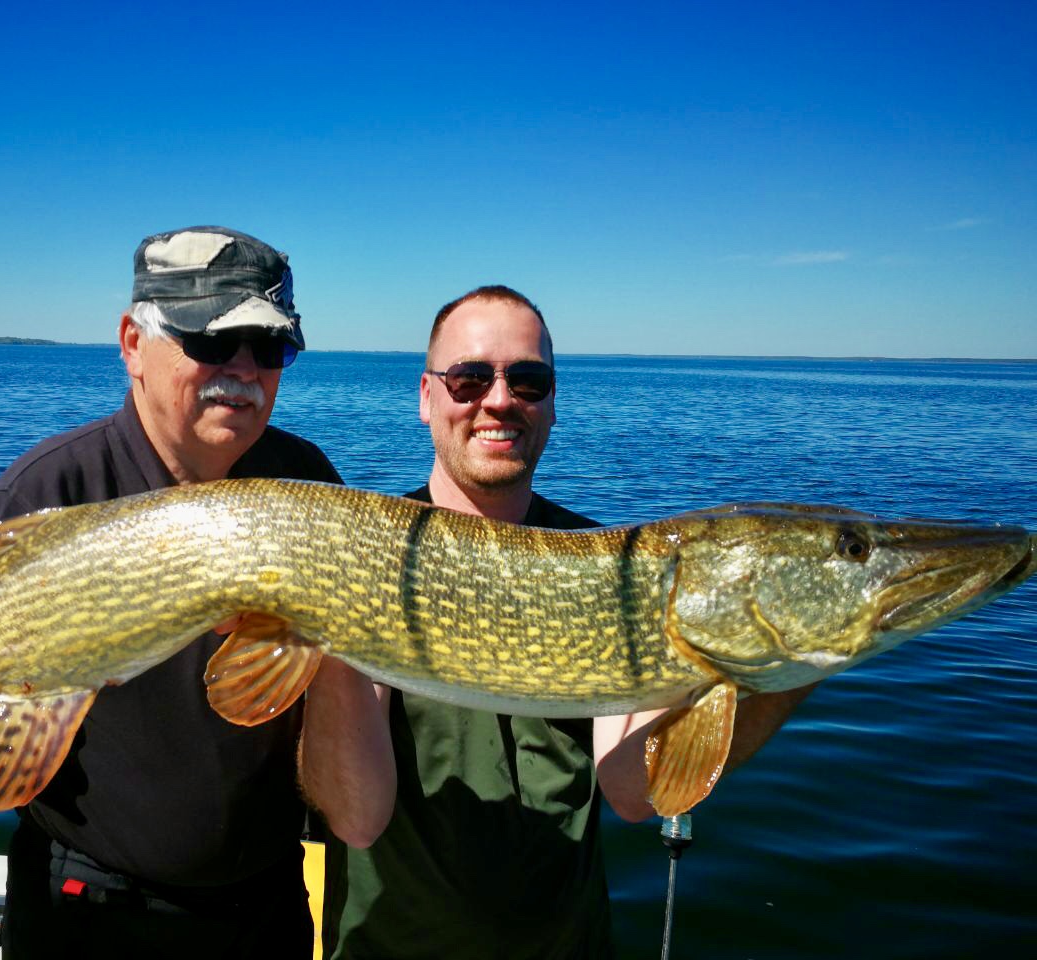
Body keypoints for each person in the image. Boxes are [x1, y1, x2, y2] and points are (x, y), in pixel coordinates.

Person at [0, 226, 341, 959]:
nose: (244, 369)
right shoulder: (50, 493)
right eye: (210, 341)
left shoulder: (306, 480)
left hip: (263, 908)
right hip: (88, 912)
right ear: (133, 343)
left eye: (270, 348)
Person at [299, 285, 812, 959]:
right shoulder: (364, 553)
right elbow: (357, 819)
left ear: (551, 403)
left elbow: (635, 792)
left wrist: (792, 665)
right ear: (427, 397)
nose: (500, 399)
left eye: (529, 380)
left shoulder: (610, 568)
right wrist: (326, 621)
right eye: (469, 377)